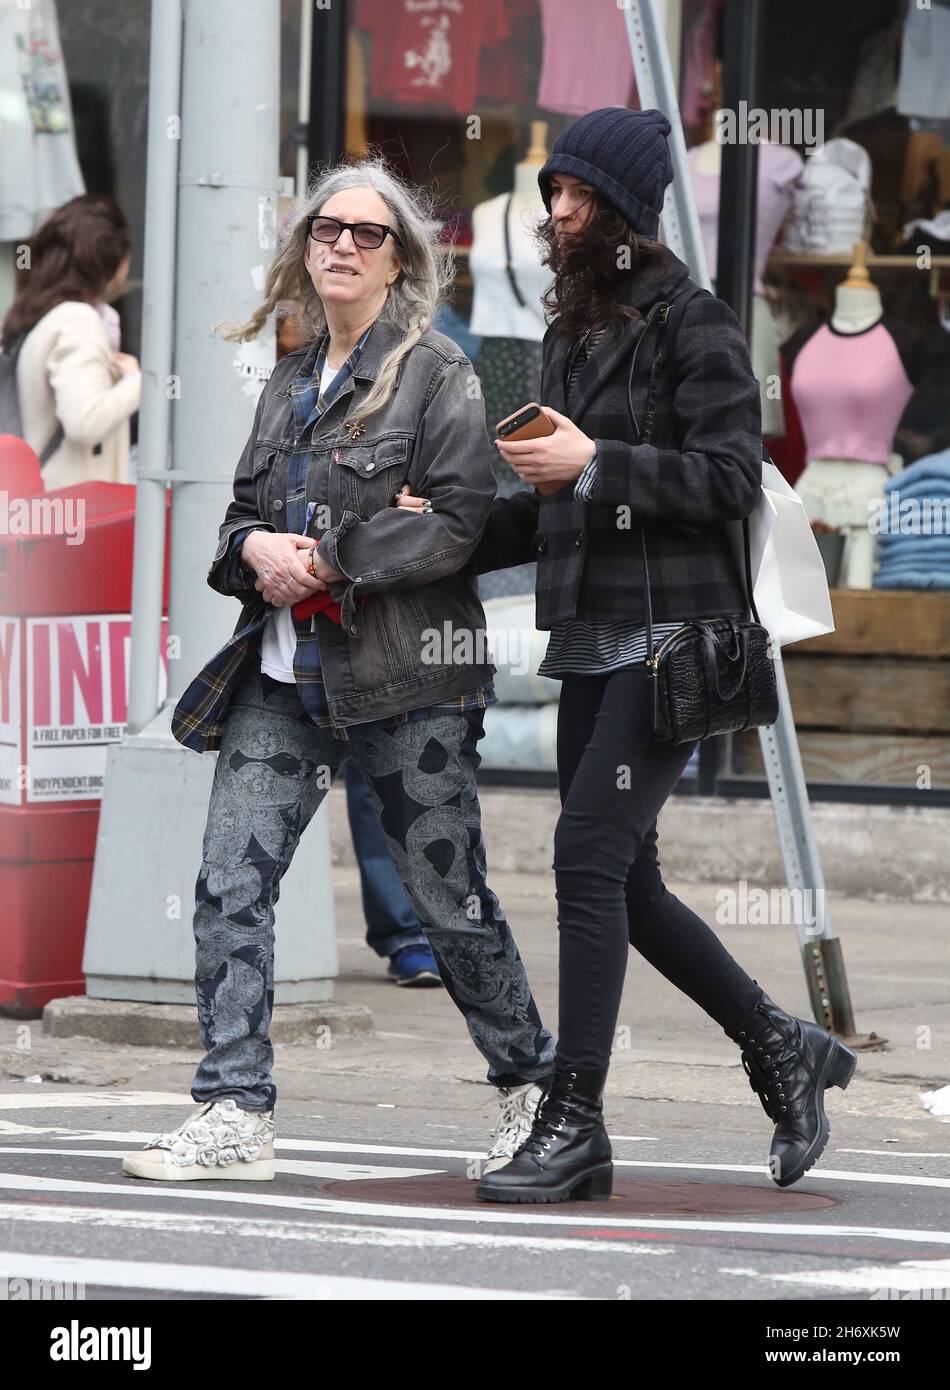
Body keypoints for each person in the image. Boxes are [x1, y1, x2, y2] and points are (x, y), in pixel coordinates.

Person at [398, 108, 857, 1203]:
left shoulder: (690, 322)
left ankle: (575, 1117)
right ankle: (781, 1049)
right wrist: (436, 531)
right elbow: (548, 506)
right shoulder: (568, 334)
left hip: (672, 644)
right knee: (627, 880)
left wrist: (597, 460)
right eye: (552, 191)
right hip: (592, 643)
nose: (555, 211)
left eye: (575, 196)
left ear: (621, 212)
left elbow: (727, 478)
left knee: (583, 861)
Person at [121, 155, 554, 1183]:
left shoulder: (437, 372)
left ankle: (531, 1093)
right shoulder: (287, 374)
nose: (342, 246)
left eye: (365, 233)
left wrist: (331, 554)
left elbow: (453, 526)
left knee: (447, 904)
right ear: (303, 248)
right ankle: (234, 1110)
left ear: (399, 258)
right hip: (282, 675)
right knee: (231, 881)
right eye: (326, 230)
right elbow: (235, 523)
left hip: (407, 678)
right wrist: (256, 553)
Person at [1, 195, 140, 487]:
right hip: (76, 517)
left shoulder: (37, 315)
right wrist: (137, 384)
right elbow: (85, 422)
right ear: (114, 261)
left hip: (43, 509)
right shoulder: (77, 320)